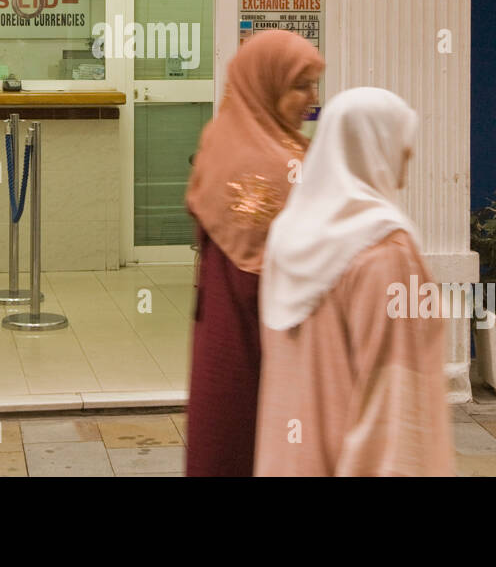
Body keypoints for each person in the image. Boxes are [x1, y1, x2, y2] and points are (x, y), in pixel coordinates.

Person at [254, 87, 455, 477]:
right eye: (400, 141)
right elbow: (394, 406)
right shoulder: (385, 253)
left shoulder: (288, 238)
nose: (409, 153)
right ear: (372, 146)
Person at [184, 29, 324, 477]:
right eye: (299, 85)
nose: (311, 98)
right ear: (263, 85)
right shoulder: (279, 164)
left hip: (221, 329)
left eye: (314, 83)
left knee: (222, 438)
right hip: (259, 334)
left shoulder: (223, 137)